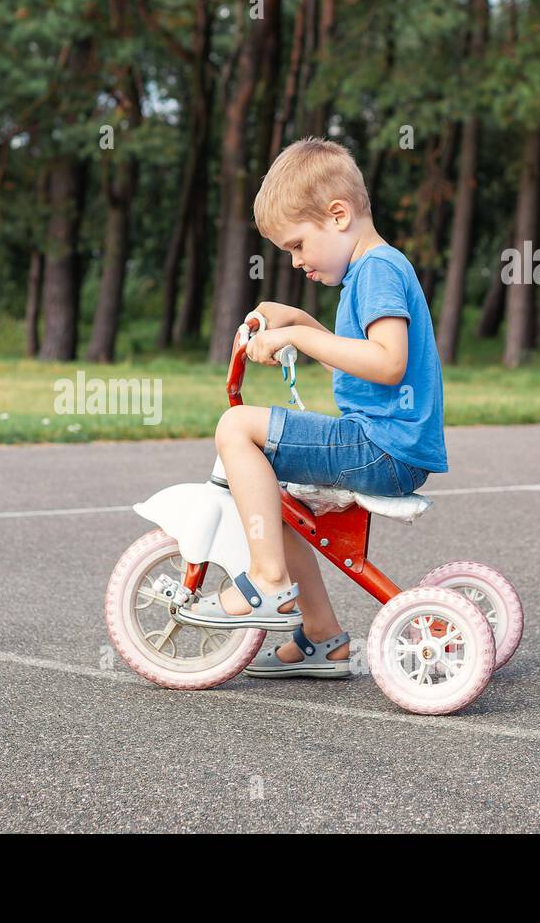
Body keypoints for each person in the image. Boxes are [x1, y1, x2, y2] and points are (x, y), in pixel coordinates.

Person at [175, 137, 448, 679]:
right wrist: (298, 321)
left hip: (381, 448)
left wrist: (300, 332)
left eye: (298, 245)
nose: (296, 260)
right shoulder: (368, 274)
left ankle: (269, 580)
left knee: (236, 426)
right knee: (282, 500)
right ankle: (321, 636)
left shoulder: (377, 272)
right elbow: (360, 363)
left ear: (338, 214)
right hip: (383, 443)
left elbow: (388, 363)